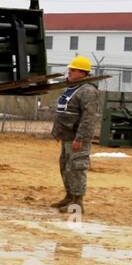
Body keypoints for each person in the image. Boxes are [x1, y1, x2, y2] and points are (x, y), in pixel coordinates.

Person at [50, 55, 101, 214]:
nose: (69, 72)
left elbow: (88, 118)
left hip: (77, 138)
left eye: (73, 70)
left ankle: (78, 203)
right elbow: (65, 111)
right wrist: (58, 132)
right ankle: (69, 196)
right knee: (66, 167)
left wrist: (80, 138)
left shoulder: (88, 91)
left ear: (82, 72)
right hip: (67, 136)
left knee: (77, 168)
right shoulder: (73, 88)